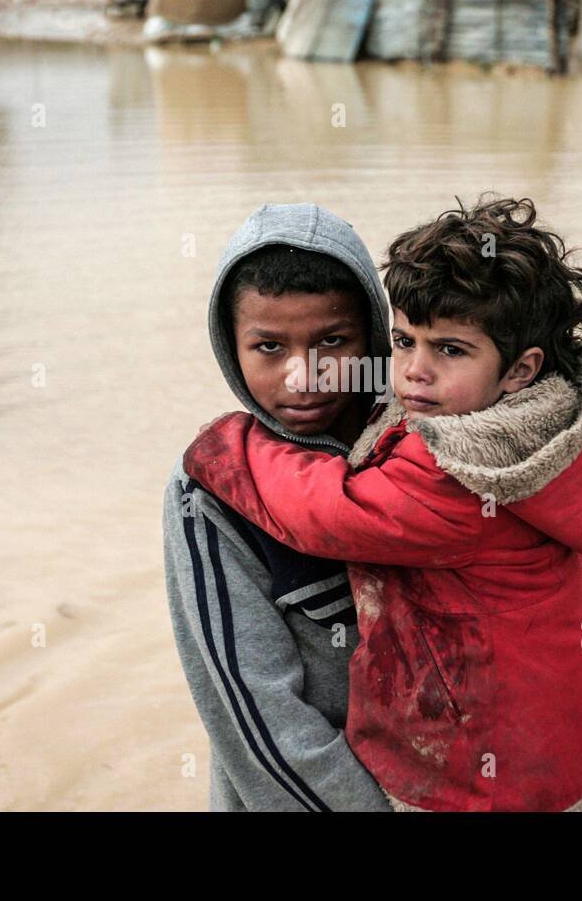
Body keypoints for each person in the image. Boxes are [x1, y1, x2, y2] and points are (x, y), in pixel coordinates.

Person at [184, 196, 582, 811]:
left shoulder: (456, 461)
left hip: (481, 770)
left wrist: (227, 444)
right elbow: (253, 714)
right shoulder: (542, 438)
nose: (415, 373)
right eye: (405, 342)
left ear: (520, 370)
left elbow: (325, 511)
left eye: (334, 340)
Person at [162, 203, 395, 811]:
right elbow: (257, 716)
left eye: (333, 341)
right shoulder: (213, 493)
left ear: (374, 335)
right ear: (229, 347)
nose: (303, 376)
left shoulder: (422, 446)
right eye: (268, 346)